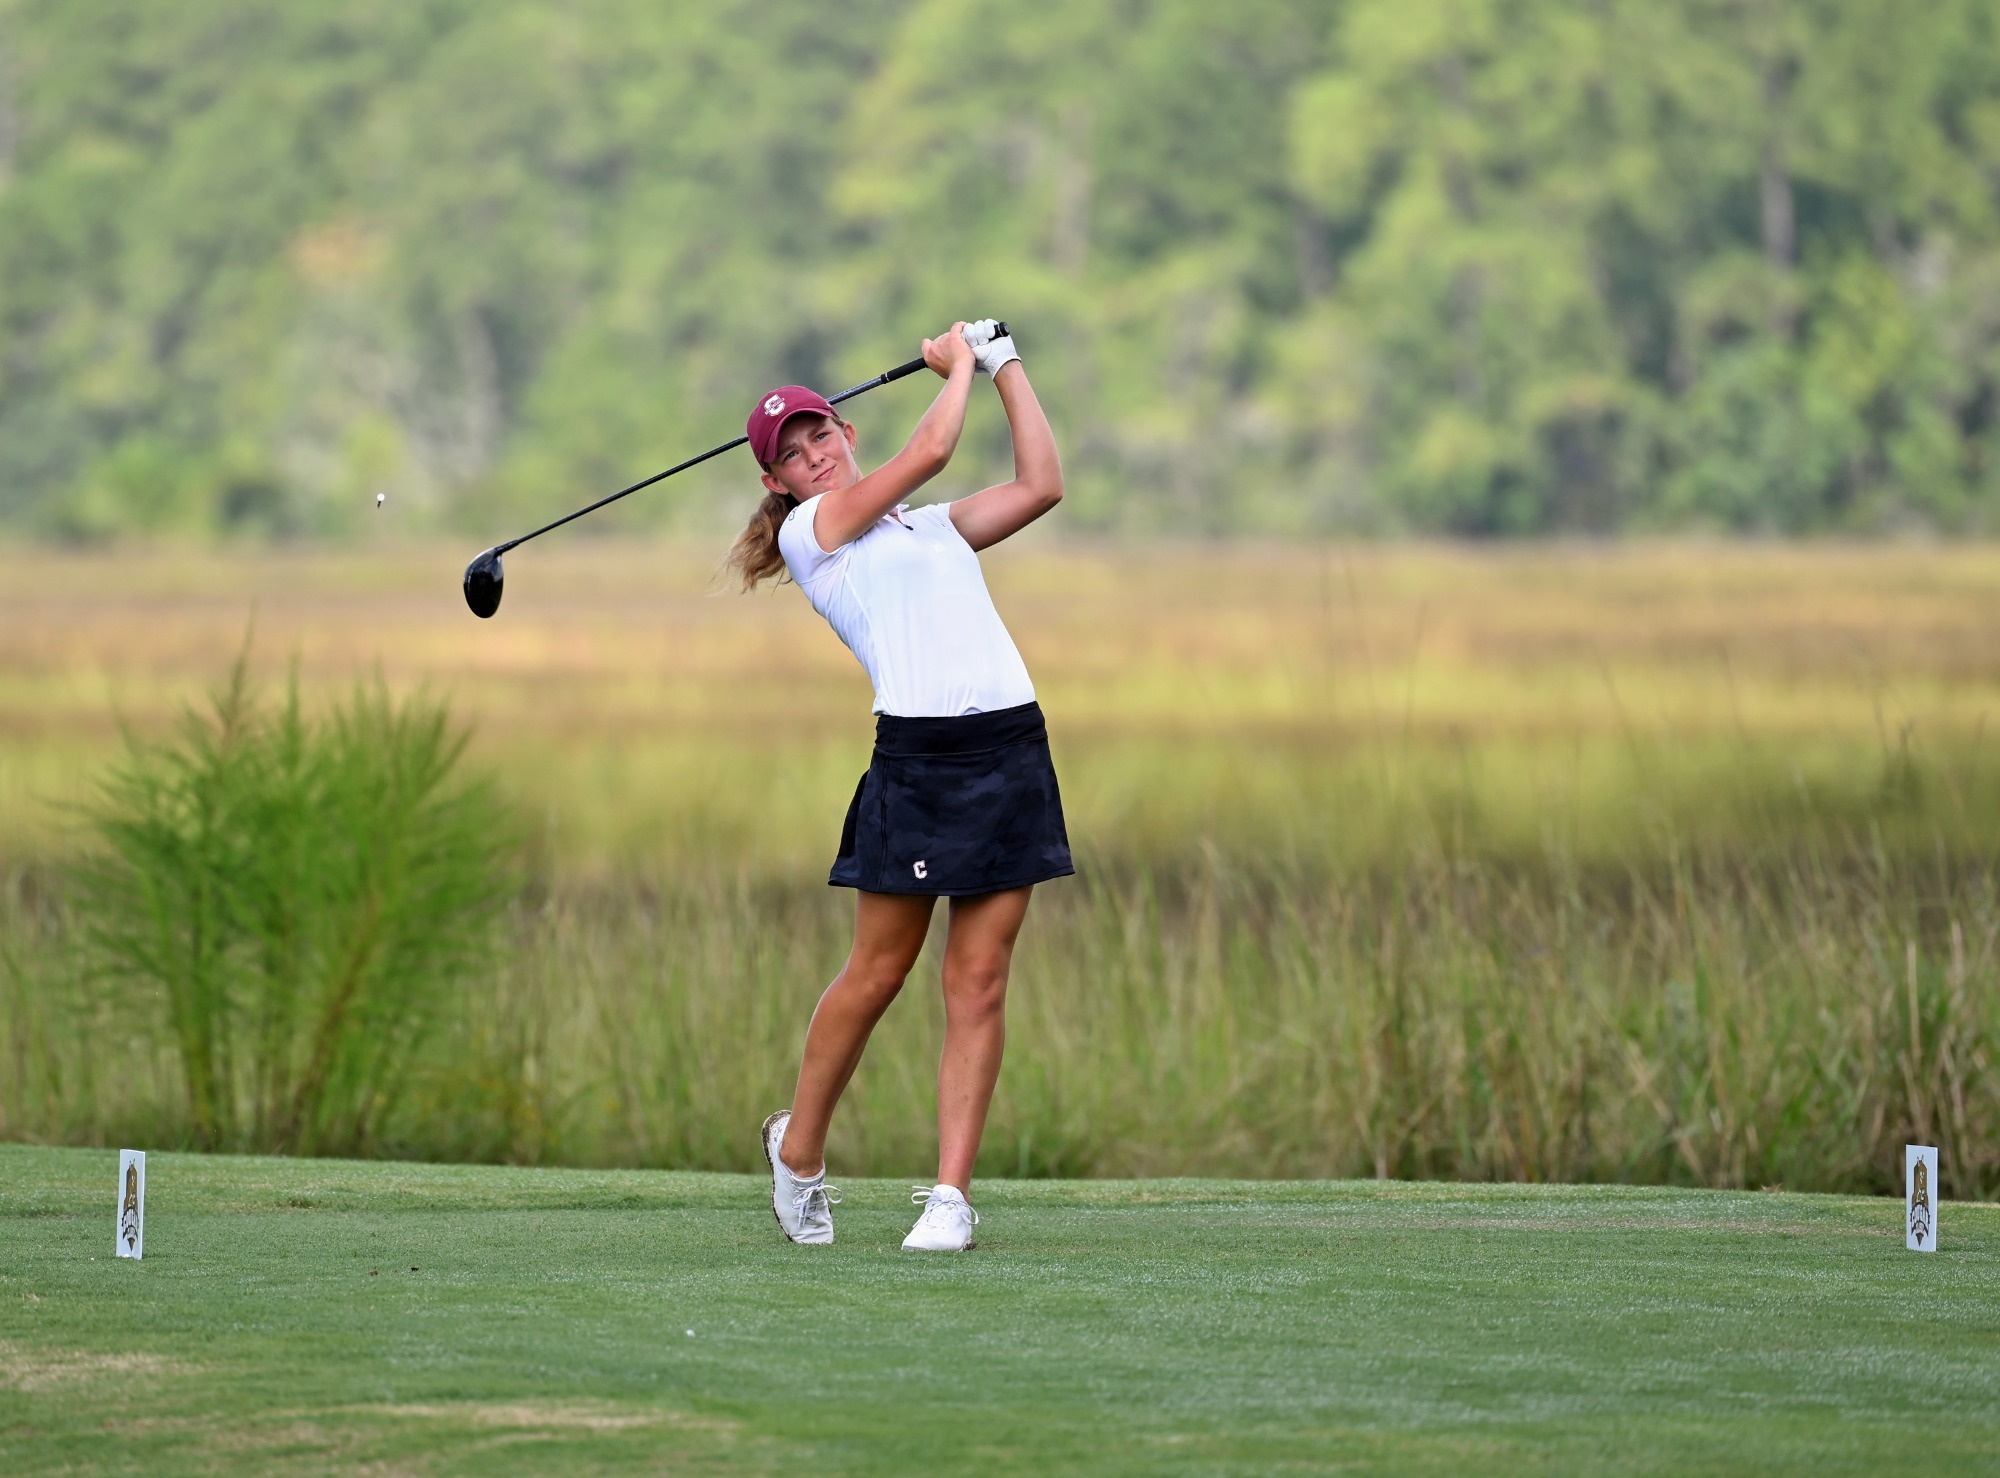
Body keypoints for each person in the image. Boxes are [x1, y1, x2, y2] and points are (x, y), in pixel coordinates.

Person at [725, 319, 1070, 1252]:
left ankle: (951, 1197)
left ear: (845, 433)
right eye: (793, 455)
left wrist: (1003, 366)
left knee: (981, 980)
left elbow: (1043, 484)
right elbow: (932, 445)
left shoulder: (934, 528)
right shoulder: (813, 537)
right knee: (878, 972)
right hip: (919, 765)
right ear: (779, 483)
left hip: (1010, 750)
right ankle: (798, 1154)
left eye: (821, 435)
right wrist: (954, 364)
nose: (815, 457)